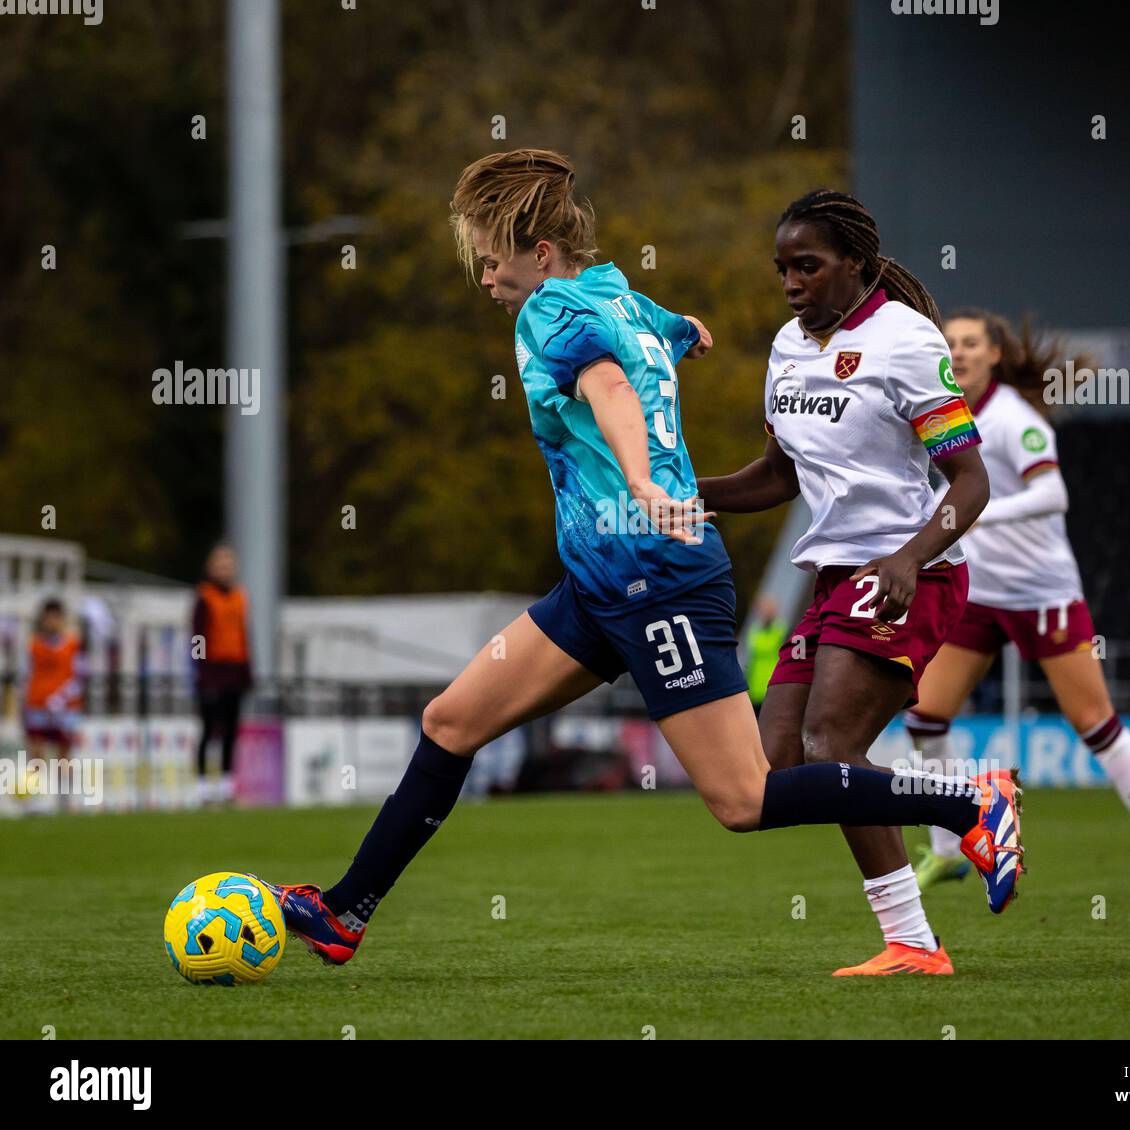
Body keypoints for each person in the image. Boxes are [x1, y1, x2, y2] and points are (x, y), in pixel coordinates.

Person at [259, 150, 1022, 968]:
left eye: (492, 260)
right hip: (595, 583)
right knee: (451, 722)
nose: (485, 279)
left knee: (743, 797)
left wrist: (639, 480)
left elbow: (611, 391)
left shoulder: (549, 314)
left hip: (657, 578)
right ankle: (345, 913)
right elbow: (653, 328)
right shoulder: (616, 293)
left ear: (541, 255)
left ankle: (961, 801)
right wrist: (685, 331)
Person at [699, 190, 999, 976]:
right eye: (783, 270)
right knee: (784, 772)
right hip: (833, 577)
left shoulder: (905, 342)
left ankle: (971, 808)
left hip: (911, 574)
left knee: (833, 744)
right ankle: (916, 941)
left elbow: (970, 482)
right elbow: (774, 476)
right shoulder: (786, 348)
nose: (792, 283)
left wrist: (907, 556)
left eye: (809, 266)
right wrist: (682, 494)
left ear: (858, 266)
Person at [907, 309, 1130, 901]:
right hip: (979, 594)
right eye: (950, 343)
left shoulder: (1013, 419)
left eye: (970, 343)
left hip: (1044, 595)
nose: (958, 352)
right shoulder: (939, 416)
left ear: (994, 355)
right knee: (924, 717)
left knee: (1095, 726)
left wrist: (975, 513)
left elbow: (1053, 492)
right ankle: (948, 851)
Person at [192, 544, 253, 805]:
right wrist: (202, 672)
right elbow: (197, 637)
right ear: (211, 567)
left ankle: (227, 787)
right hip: (212, 672)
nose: (225, 569)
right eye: (220, 563)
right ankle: (204, 787)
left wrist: (247, 672)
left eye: (228, 563)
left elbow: (243, 636)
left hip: (234, 672)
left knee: (231, 730)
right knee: (208, 729)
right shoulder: (204, 597)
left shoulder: (240, 597)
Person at [23, 598, 84, 808]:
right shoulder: (34, 645)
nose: (51, 622)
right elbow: (27, 675)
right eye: (48, 618)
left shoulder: (72, 645)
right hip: (37, 705)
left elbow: (80, 676)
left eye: (55, 618)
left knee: (64, 753)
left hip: (65, 708)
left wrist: (61, 698)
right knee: (36, 752)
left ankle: (64, 799)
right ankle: (35, 799)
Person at [744, 594, 787, 717]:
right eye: (763, 609)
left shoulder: (781, 630)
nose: (765, 612)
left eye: (769, 609)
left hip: (772, 687)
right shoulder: (754, 630)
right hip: (754, 688)